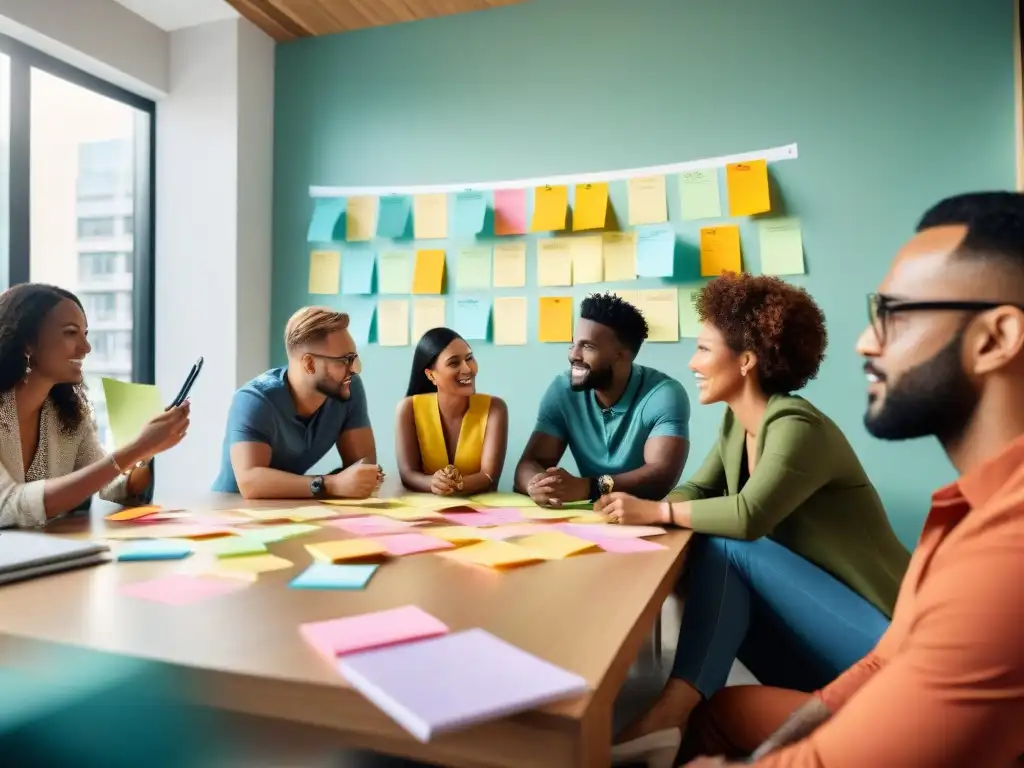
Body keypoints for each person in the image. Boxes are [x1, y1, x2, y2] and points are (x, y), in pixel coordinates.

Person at [680, 191, 1024, 767]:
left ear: (995, 339)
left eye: (897, 313)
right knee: (718, 717)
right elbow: (882, 662)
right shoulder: (962, 509)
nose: (866, 341)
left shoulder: (1006, 550)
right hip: (881, 669)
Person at [599, 273, 909, 764]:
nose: (692, 362)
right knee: (707, 545)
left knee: (726, 544)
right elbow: (697, 492)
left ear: (746, 360)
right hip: (821, 631)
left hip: (883, 640)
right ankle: (673, 715)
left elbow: (746, 517)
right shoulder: (735, 424)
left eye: (703, 348)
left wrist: (657, 510)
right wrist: (637, 514)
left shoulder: (796, 426)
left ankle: (666, 715)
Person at [0, 284, 189, 528]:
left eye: (85, 334)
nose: (86, 348)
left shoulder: (67, 414)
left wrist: (145, 453)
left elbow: (111, 484)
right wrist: (137, 448)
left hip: (45, 555)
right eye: (70, 333)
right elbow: (8, 506)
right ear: (28, 342)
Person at [514, 292, 690, 507]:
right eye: (573, 343)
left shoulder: (664, 394)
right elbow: (530, 463)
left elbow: (661, 475)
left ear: (621, 356)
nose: (573, 355)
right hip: (589, 517)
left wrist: (588, 487)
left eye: (587, 347)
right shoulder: (562, 389)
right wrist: (537, 484)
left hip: (645, 517)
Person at [212, 306, 381, 500]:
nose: (354, 369)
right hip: (233, 509)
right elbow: (250, 482)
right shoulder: (254, 401)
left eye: (354, 358)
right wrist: (332, 484)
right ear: (309, 364)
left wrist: (353, 479)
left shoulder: (347, 388)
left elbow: (362, 465)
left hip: (293, 506)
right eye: (344, 360)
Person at [395, 327, 508, 496]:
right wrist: (432, 483)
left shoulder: (495, 409)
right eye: (454, 363)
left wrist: (456, 485)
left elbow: (488, 477)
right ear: (431, 375)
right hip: (426, 512)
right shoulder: (408, 409)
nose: (467, 369)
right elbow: (408, 474)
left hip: (480, 513)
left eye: (469, 358)